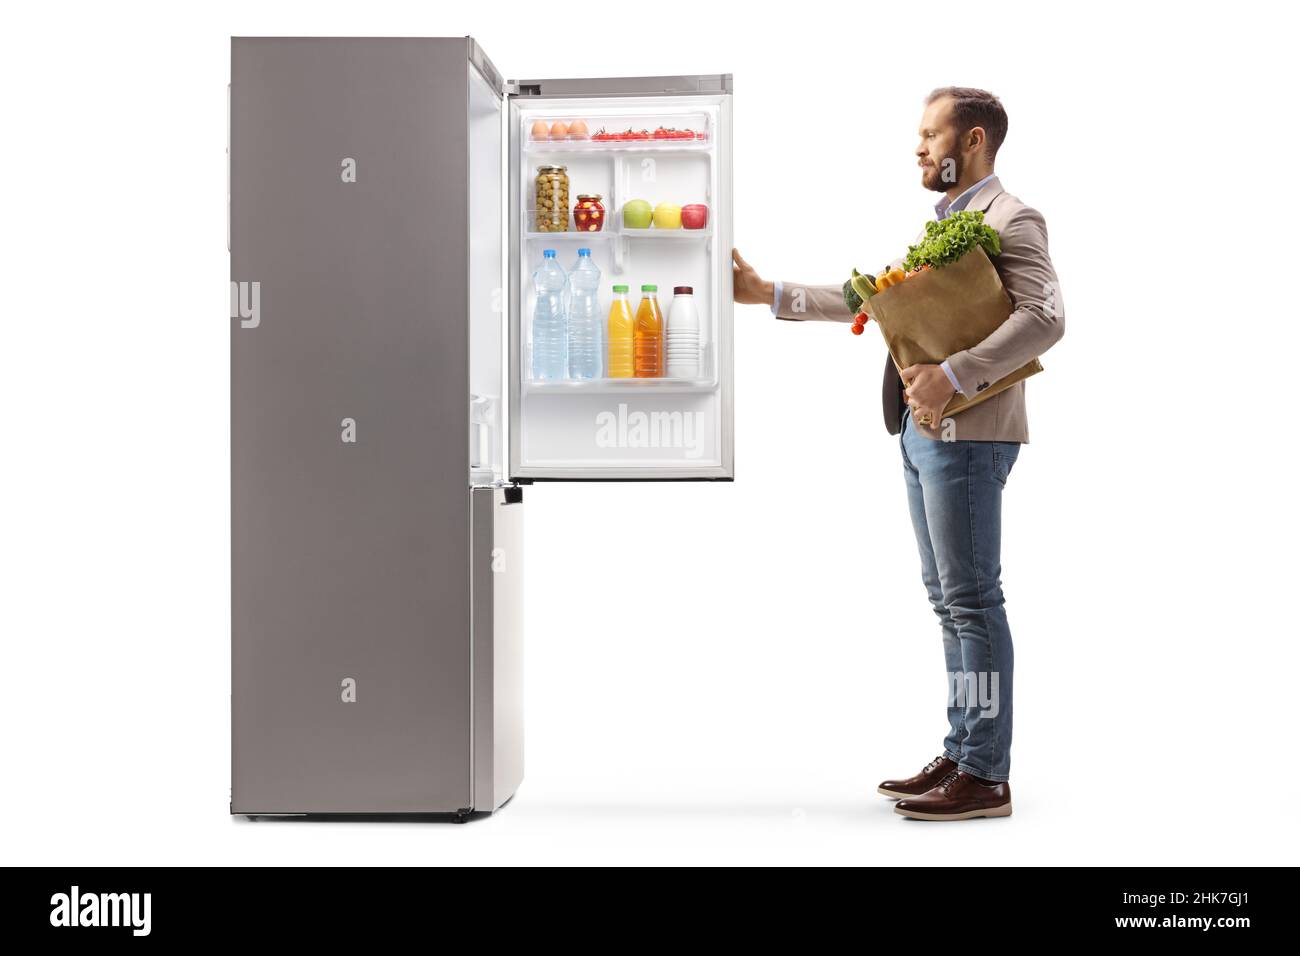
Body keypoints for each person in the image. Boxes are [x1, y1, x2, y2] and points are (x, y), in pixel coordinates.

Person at [733, 87, 1064, 821]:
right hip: (924, 433)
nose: (918, 147)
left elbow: (1046, 317)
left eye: (929, 133)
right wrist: (768, 294)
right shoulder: (948, 226)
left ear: (971, 141)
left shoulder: (1012, 218)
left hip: (970, 434)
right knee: (950, 603)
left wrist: (951, 376)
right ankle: (964, 747)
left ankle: (985, 773)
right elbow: (872, 298)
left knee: (974, 602)